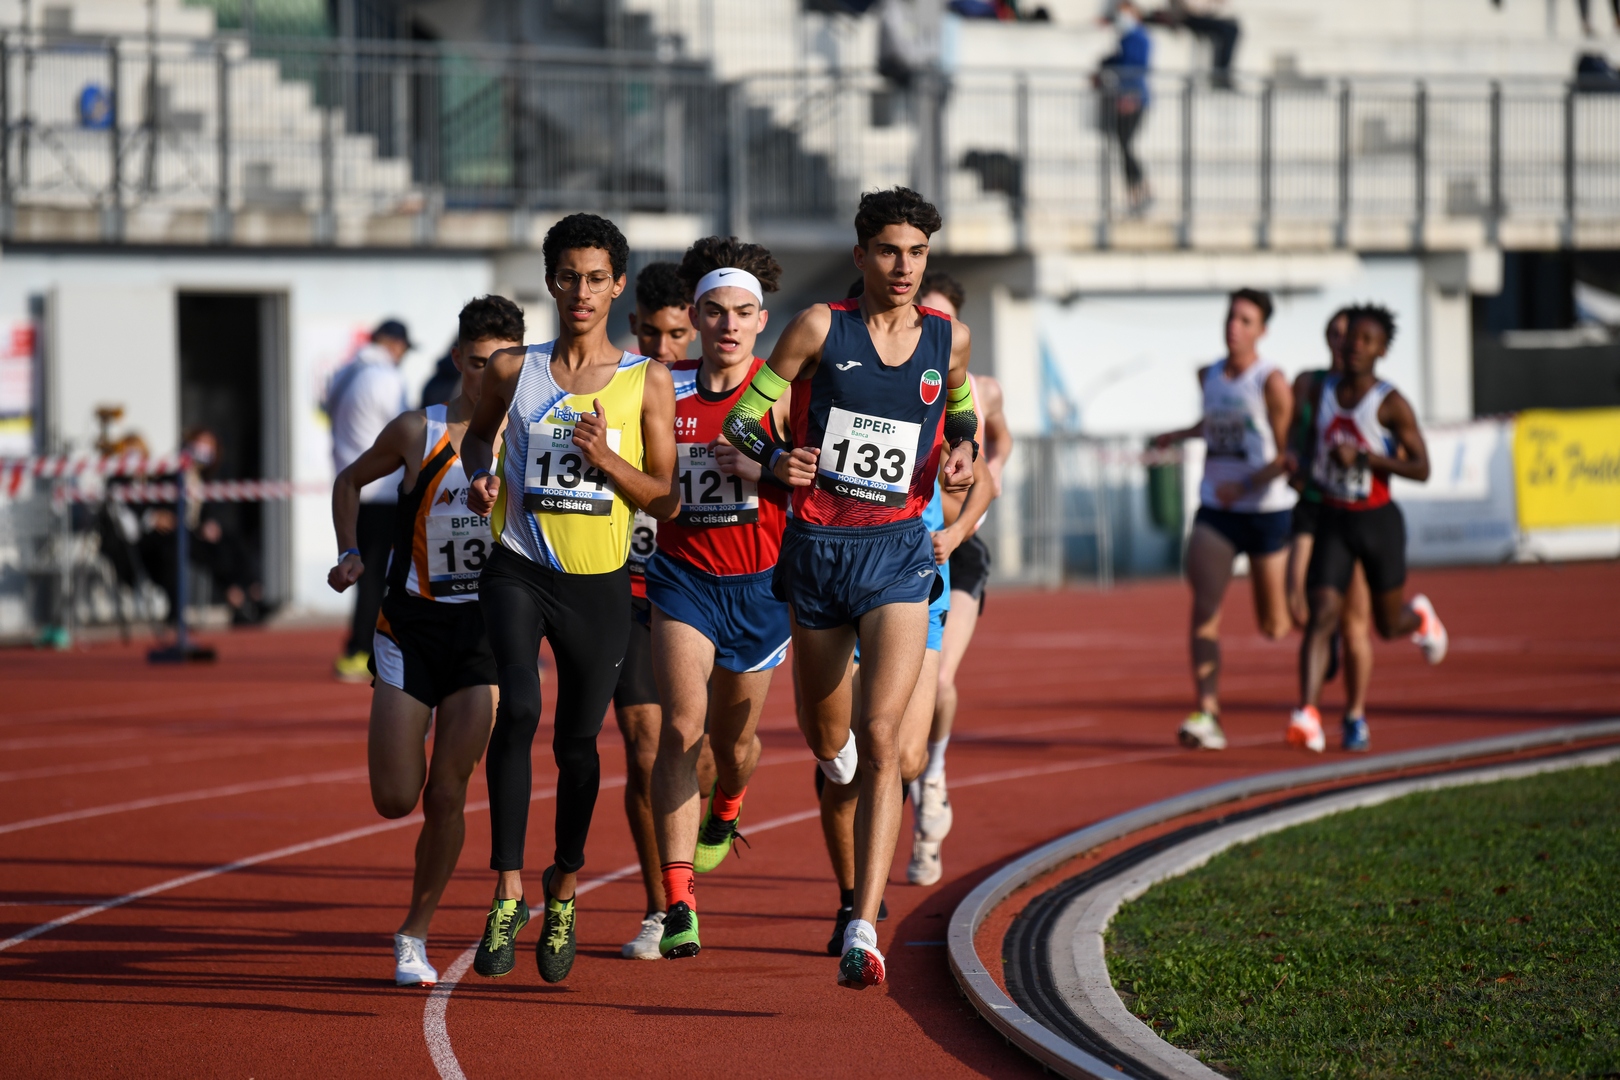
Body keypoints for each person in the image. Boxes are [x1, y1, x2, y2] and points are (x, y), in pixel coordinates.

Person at [723, 186, 976, 988]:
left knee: (882, 735)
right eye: (891, 251)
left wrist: (963, 449)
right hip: (818, 556)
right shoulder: (818, 329)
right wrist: (774, 462)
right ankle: (837, 783)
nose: (905, 267)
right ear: (862, 253)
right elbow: (742, 422)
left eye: (918, 253)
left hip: (899, 556)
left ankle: (864, 927)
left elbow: (962, 413)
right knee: (829, 741)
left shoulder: (949, 339)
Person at [460, 214, 680, 984]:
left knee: (578, 746)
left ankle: (563, 886)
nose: (580, 291)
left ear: (617, 284)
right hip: (519, 567)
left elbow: (667, 499)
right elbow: (475, 441)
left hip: (598, 585)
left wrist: (607, 461)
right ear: (549, 280)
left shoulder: (644, 379)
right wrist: (482, 475)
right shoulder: (511, 370)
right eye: (567, 276)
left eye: (595, 278)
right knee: (517, 708)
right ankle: (507, 891)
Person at [327, 295, 524, 986]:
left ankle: (415, 931)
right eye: (475, 365)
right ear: (455, 361)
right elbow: (350, 480)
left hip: (485, 638)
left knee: (448, 791)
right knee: (394, 797)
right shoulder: (420, 430)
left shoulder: (528, 439)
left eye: (501, 367)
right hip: (408, 630)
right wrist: (350, 551)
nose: (486, 380)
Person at [648, 238, 794, 961]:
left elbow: (826, 481)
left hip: (762, 589)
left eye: (741, 313)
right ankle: (678, 903)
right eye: (714, 313)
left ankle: (728, 806)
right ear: (695, 318)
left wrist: (766, 467)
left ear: (760, 320)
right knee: (681, 728)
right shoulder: (660, 386)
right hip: (683, 581)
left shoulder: (785, 393)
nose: (728, 326)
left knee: (733, 748)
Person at [616, 261, 718, 961]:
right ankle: (663, 906)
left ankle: (717, 804)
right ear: (633, 329)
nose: (663, 349)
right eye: (650, 334)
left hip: (706, 587)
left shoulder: (723, 388)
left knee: (701, 750)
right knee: (644, 747)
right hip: (627, 587)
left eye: (676, 333)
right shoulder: (616, 388)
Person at [1292, 305, 1449, 753]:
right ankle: (1308, 713)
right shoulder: (1320, 390)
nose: (1353, 346)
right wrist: (1300, 468)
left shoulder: (1390, 402)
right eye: (1349, 338)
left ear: (1381, 350)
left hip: (1377, 522)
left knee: (1385, 623)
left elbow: (1421, 468)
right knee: (1321, 614)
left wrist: (1365, 458)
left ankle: (1418, 616)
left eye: (1365, 340)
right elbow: (1307, 452)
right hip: (1334, 520)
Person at [1152, 288, 1295, 752]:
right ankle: (1207, 712)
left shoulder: (1271, 382)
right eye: (1232, 317)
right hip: (1216, 509)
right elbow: (1213, 425)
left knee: (1276, 625)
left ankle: (1322, 630)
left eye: (1246, 320)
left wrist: (1249, 484)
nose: (1234, 326)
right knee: (1203, 612)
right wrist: (1179, 434)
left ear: (1262, 330)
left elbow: (1289, 456)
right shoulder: (1209, 375)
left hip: (1265, 510)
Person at [911, 271, 1011, 887]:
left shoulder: (982, 388)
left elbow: (999, 440)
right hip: (899, 542)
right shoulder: (896, 380)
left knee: (940, 676)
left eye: (945, 323)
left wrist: (981, 469)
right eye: (928, 319)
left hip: (958, 547)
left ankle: (936, 781)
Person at [1286, 309, 1374, 746]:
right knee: (1298, 607)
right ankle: (1313, 696)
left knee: (1356, 621)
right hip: (1312, 507)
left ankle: (1353, 715)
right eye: (1336, 334)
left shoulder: (1374, 395)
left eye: (1353, 335)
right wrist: (1294, 462)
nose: (1344, 342)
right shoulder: (1310, 383)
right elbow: (1291, 436)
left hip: (1354, 513)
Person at [327, 318, 413, 681]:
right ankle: (362, 649)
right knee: (380, 575)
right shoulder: (385, 379)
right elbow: (410, 433)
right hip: (383, 490)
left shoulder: (344, 375)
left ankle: (361, 647)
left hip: (354, 486)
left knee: (366, 572)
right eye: (404, 347)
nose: (404, 355)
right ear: (392, 343)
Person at [1099, 1, 1152, 216]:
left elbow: (1136, 68)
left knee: (1126, 146)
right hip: (1124, 98)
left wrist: (1130, 96)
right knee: (1123, 147)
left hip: (1133, 100)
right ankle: (1135, 194)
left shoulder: (1139, 38)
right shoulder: (1126, 37)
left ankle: (1143, 190)